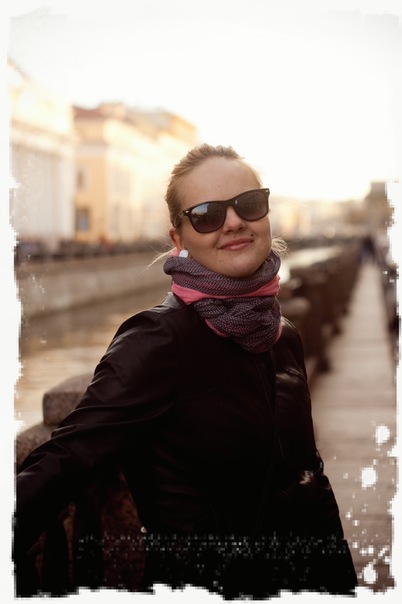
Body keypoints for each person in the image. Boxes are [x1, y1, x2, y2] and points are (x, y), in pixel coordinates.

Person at [14, 144, 357, 598]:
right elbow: (64, 462)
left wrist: (342, 583)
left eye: (248, 204)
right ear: (178, 237)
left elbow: (308, 475)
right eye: (207, 215)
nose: (233, 222)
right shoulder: (157, 340)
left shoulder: (281, 332)